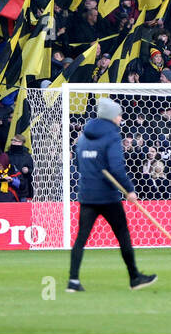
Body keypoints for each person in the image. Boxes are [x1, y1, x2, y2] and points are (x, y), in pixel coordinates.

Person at [67, 97, 156, 292]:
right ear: (110, 116)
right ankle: (134, 277)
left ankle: (73, 280)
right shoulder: (112, 136)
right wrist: (129, 190)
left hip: (87, 194)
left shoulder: (83, 137)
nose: (120, 118)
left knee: (81, 238)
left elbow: (82, 165)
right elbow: (117, 167)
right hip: (107, 196)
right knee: (123, 235)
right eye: (118, 114)